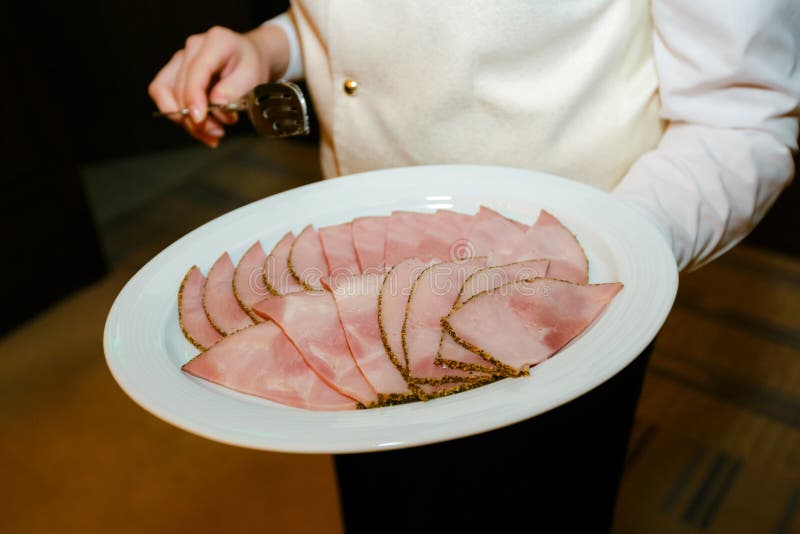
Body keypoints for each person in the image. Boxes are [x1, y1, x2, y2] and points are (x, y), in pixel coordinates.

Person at [149, 2, 799, 532]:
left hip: (555, 322)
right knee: (386, 504)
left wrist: (607, 255)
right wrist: (274, 44)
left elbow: (740, 120)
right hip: (350, 293)